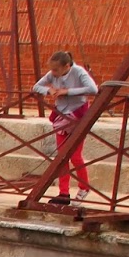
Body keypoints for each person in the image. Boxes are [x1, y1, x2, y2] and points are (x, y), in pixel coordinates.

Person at [33, 50, 98, 206]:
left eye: (56, 70)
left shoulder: (79, 72)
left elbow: (93, 89)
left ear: (66, 66)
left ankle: (84, 187)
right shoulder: (52, 75)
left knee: (75, 156)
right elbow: (36, 87)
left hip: (77, 115)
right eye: (52, 70)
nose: (53, 73)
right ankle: (64, 193)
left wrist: (68, 92)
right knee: (62, 157)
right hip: (61, 115)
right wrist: (49, 90)